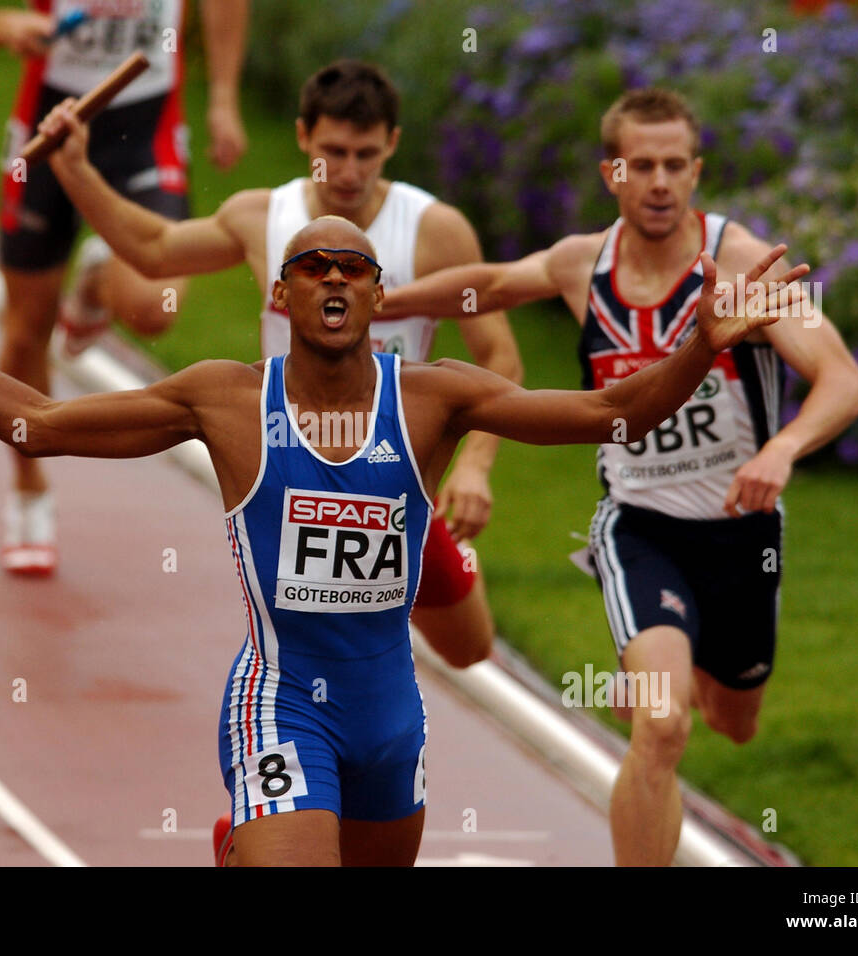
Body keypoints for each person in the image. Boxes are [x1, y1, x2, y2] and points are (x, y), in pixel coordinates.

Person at [0, 213, 805, 865]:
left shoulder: (433, 399)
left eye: (353, 268)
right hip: (282, 702)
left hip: (390, 716)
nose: (334, 278)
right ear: (281, 297)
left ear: (379, 299)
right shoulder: (222, 398)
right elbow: (33, 423)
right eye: (312, 266)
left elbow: (615, 409)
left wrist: (701, 342)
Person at [375, 88, 858, 866]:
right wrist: (372, 303)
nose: (661, 182)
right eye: (642, 165)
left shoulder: (742, 263)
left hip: (744, 536)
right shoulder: (585, 264)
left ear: (697, 170)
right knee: (662, 723)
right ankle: (649, 658)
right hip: (639, 526)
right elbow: (492, 287)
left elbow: (843, 380)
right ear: (614, 172)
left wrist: (782, 450)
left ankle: (668, 655)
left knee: (732, 719)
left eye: (676, 165)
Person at [36, 59, 523, 670]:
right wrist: (75, 168)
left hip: (392, 465)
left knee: (469, 648)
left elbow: (497, 351)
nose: (348, 172)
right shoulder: (261, 217)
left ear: (393, 144)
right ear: (302, 138)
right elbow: (158, 252)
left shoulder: (435, 232)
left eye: (366, 154)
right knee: (320, 644)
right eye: (333, 151)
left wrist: (474, 467)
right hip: (287, 466)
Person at [0, 0, 249, 575]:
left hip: (145, 132)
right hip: (48, 130)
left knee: (154, 307)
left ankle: (97, 281)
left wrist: (223, 97)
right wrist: (5, 27)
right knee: (24, 335)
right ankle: (28, 488)